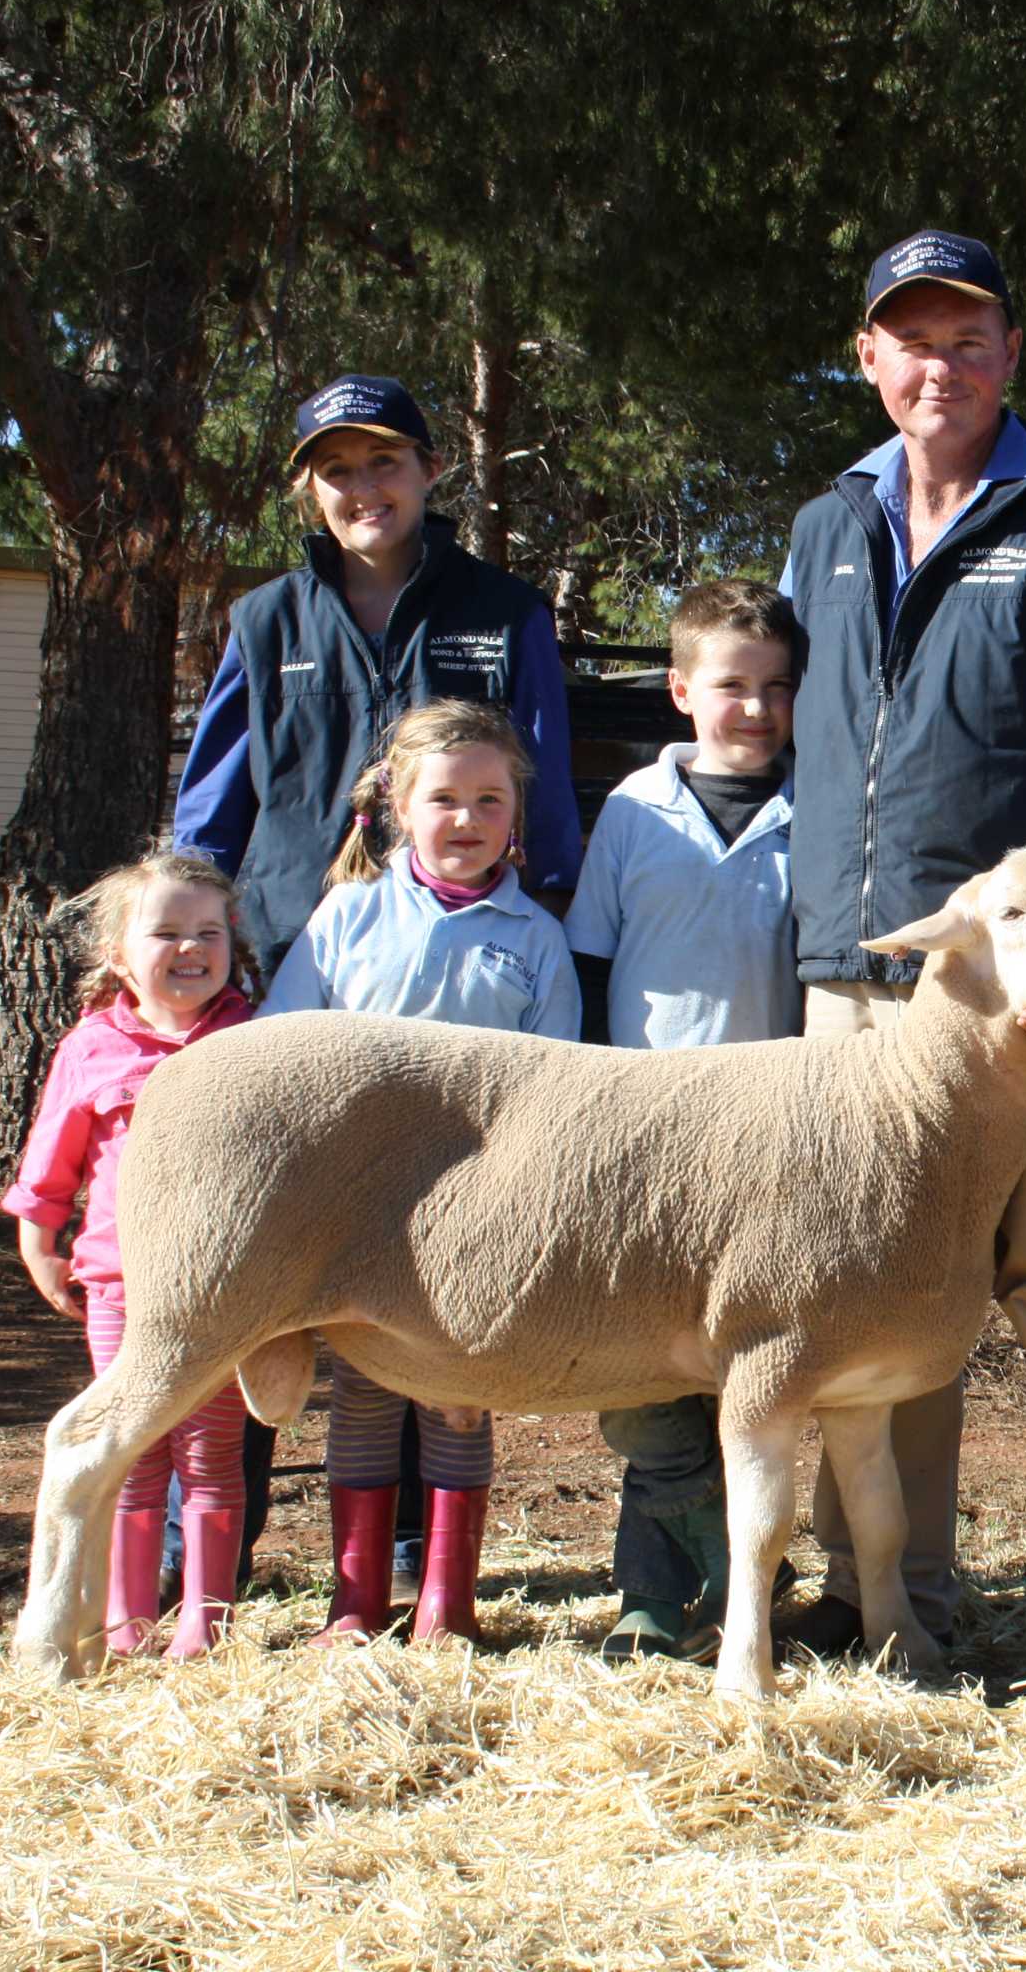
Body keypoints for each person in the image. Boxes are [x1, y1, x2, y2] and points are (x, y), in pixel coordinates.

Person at [773, 228, 1026, 1684]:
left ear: (1012, 356)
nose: (937, 363)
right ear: (869, 358)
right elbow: (795, 750)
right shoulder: (824, 529)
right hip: (855, 993)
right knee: (873, 1301)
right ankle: (885, 1593)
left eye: (968, 337)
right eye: (911, 337)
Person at [170, 373, 586, 1598]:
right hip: (309, 974)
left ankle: (410, 1555)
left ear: (429, 473)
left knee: (423, 1276)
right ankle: (213, 1551)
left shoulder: (502, 612)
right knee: (251, 1265)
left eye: (386, 463)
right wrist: (186, 934)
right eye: (338, 469)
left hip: (464, 979)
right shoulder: (267, 622)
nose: (366, 488)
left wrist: (535, 916)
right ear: (310, 486)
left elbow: (545, 781)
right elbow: (213, 804)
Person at [261, 698, 582, 1645]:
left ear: (516, 816)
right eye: (444, 798)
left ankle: (448, 1605)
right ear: (398, 804)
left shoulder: (535, 940)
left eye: (491, 801)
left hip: (475, 1215)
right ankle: (356, 1603)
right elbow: (283, 1048)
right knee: (362, 1392)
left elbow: (555, 1087)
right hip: (356, 1214)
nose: (468, 820)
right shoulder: (348, 916)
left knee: (457, 1391)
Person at [561, 578, 802, 1662]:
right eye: (730, 685)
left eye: (775, 687)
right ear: (678, 689)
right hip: (644, 1137)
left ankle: (758, 1591)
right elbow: (589, 961)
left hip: (775, 1137)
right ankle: (654, 1599)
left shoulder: (822, 813)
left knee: (757, 1376)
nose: (752, 708)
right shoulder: (630, 811)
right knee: (649, 1381)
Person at [0, 847, 260, 1659]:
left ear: (233, 942)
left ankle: (204, 1625)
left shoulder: (257, 1040)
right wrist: (41, 1241)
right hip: (120, 1285)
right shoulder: (92, 1048)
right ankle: (128, 1621)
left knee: (213, 1452)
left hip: (225, 1291)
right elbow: (51, 1161)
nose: (190, 949)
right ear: (118, 955)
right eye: (167, 932)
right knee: (131, 1447)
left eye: (208, 932)